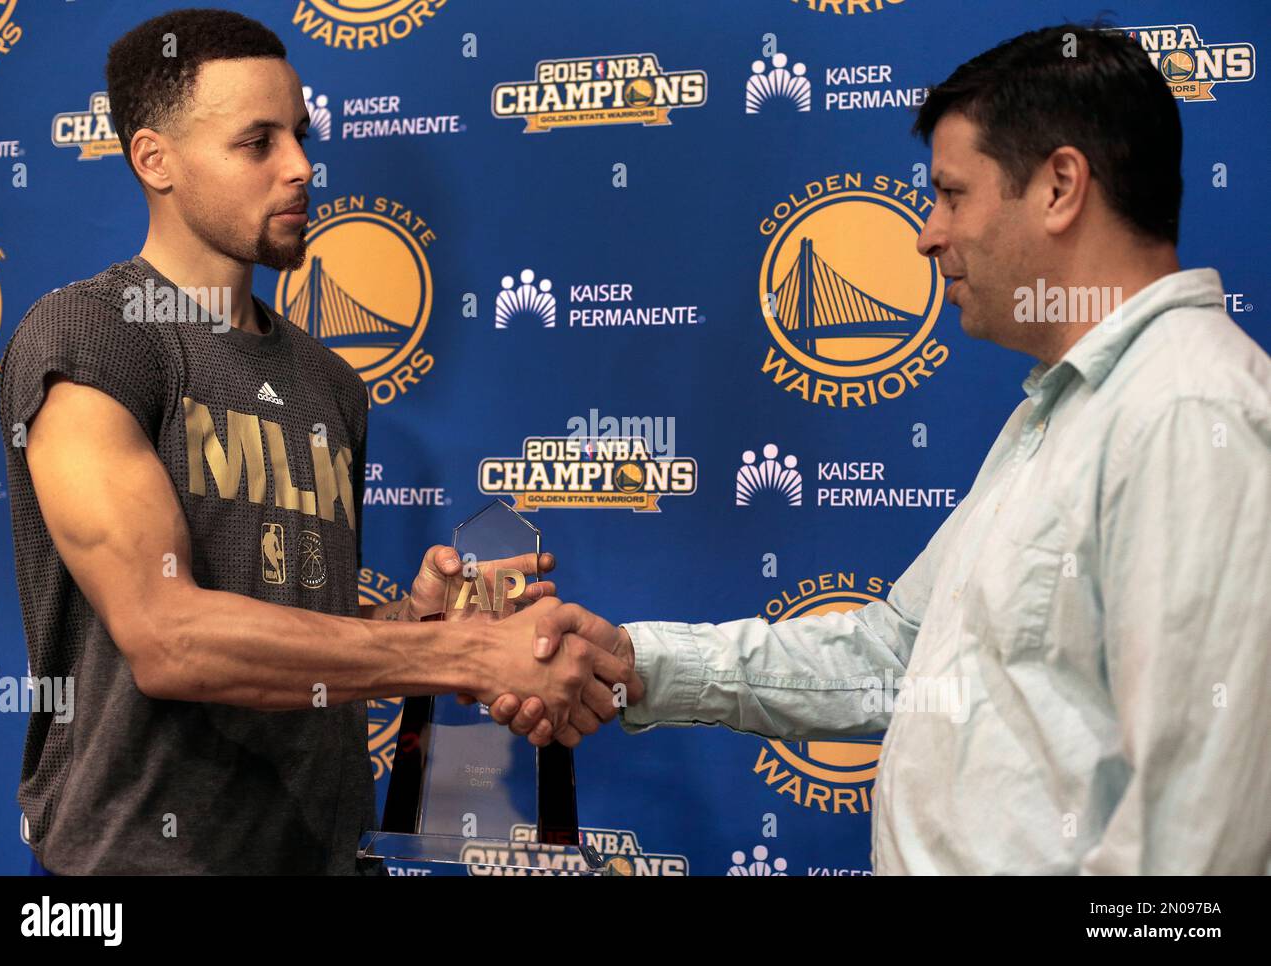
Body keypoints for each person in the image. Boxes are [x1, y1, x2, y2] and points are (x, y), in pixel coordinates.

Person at [496, 24, 1271, 874]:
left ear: (1059, 187)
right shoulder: (1065, 411)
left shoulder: (1190, 415)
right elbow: (893, 657)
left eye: (950, 193)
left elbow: (1201, 844)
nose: (926, 233)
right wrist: (636, 663)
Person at [0, 8, 636, 876]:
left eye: (299, 135)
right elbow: (167, 633)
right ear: (155, 160)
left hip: (326, 856)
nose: (301, 167)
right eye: (256, 142)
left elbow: (299, 640)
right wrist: (460, 652)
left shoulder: (330, 383)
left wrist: (413, 620)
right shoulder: (92, 335)